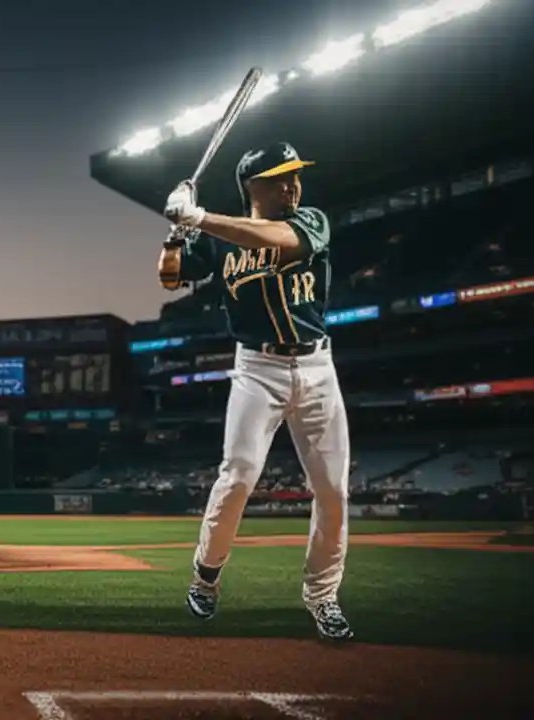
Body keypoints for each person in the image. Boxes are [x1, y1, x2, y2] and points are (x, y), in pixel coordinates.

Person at [159, 142, 352, 642]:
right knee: (239, 475)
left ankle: (323, 596)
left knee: (332, 489)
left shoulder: (310, 220)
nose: (292, 186)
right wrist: (176, 233)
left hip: (317, 366)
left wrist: (199, 217)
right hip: (257, 368)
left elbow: (281, 241)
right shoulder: (219, 240)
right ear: (253, 187)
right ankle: (206, 577)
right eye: (281, 178)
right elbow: (169, 276)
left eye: (295, 176)